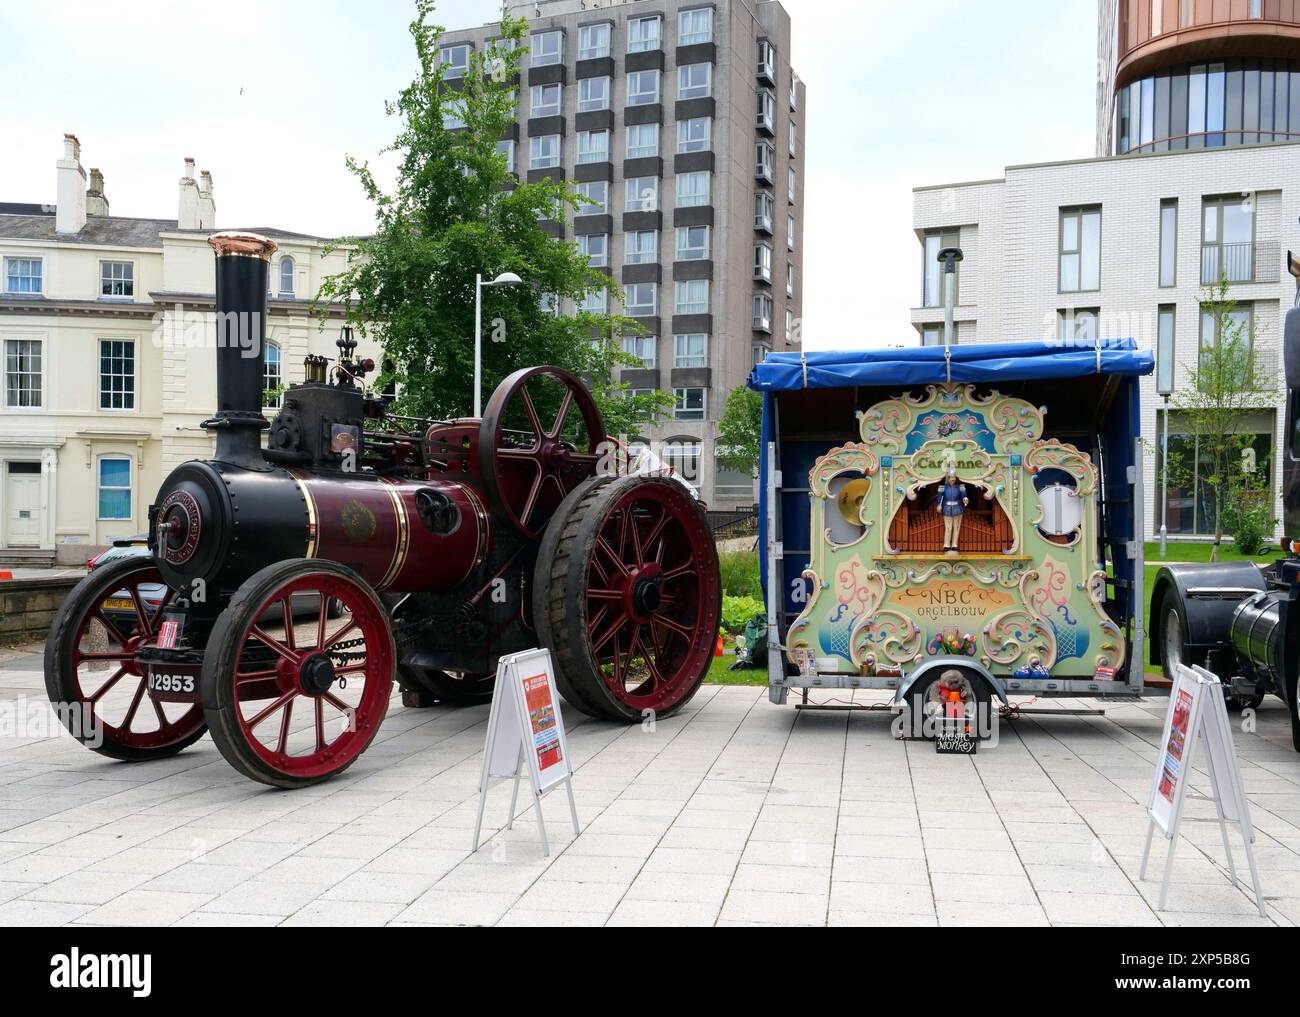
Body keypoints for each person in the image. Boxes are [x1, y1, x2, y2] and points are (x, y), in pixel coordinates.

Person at [934, 467, 969, 554]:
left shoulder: (960, 487)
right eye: (951, 477)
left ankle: (954, 545)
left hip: (958, 508)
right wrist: (938, 505)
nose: (953, 479)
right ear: (948, 478)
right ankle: (946, 545)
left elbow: (964, 496)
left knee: (956, 527)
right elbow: (939, 498)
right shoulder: (943, 488)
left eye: (954, 477)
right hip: (947, 509)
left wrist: (965, 499)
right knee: (948, 528)